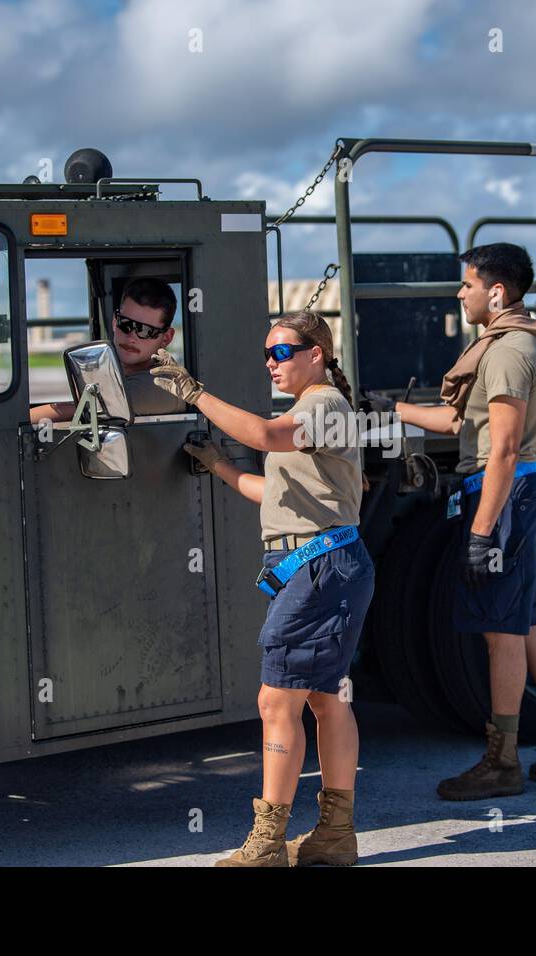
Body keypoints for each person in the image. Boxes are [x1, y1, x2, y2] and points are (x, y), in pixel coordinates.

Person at [366, 242, 536, 800]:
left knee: (501, 632)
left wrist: (479, 533)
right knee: (522, 620)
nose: (459, 292)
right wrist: (386, 408)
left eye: (467, 284)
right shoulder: (505, 345)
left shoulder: (508, 351)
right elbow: (457, 423)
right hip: (514, 490)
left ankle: (502, 762)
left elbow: (505, 449)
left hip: (506, 491)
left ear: (496, 292)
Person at [150, 309, 375, 867]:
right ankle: (335, 836)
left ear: (315, 354)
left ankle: (268, 842)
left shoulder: (323, 404)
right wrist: (221, 467)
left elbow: (265, 435)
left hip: (318, 569)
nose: (270, 363)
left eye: (280, 353)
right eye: (266, 354)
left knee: (276, 700)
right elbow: (271, 490)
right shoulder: (312, 409)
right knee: (325, 699)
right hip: (320, 566)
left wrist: (194, 392)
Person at [29, 276, 185, 424]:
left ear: (166, 338)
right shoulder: (114, 376)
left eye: (145, 331)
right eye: (125, 323)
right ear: (114, 321)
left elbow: (77, 409)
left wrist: (12, 423)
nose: (131, 337)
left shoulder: (162, 385)